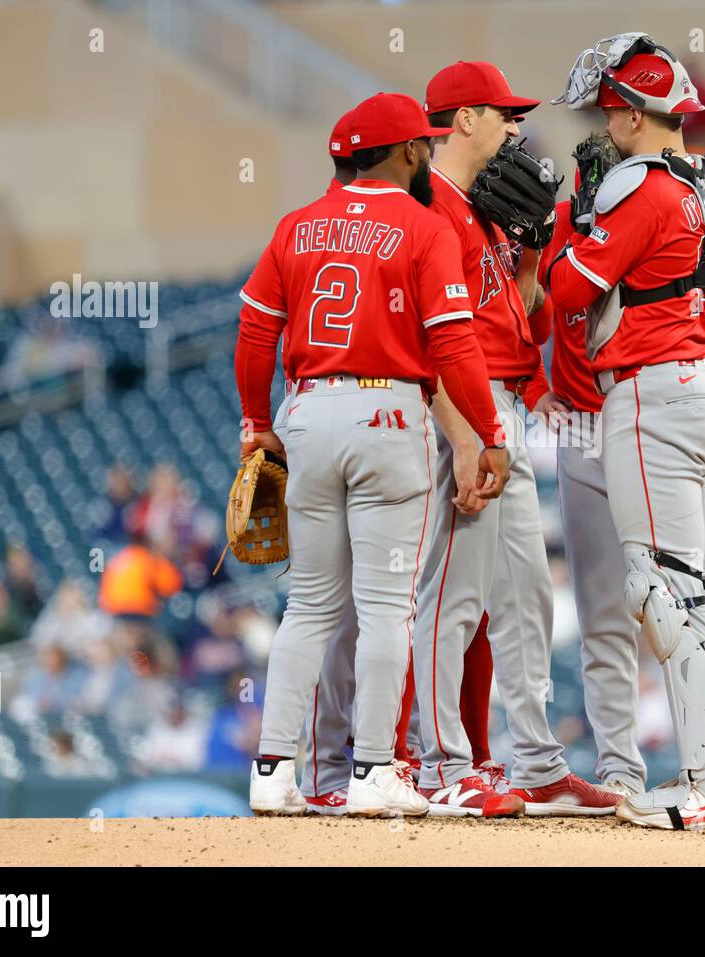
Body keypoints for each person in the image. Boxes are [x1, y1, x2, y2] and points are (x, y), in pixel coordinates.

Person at [237, 91, 513, 819]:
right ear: (408, 152)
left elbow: (254, 333)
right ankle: (372, 772)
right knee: (387, 606)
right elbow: (454, 343)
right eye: (419, 144)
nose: (425, 151)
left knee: (309, 605)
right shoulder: (423, 227)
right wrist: (486, 432)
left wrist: (255, 422)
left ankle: (272, 771)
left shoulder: (295, 226)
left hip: (307, 409)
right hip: (388, 411)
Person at [548, 33, 705, 828]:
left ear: (629, 114)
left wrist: (570, 225)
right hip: (700, 393)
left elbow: (563, 293)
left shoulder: (639, 189)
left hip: (650, 402)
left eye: (609, 106)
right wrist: (701, 345)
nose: (603, 120)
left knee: (664, 593)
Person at [410, 61, 618, 817]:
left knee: (529, 593)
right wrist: (465, 434)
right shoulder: (426, 205)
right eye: (501, 114)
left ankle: (536, 763)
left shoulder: (491, 209)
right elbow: (432, 340)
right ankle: (441, 766)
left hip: (504, 407)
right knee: (454, 591)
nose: (514, 127)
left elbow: (517, 319)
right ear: (463, 119)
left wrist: (530, 251)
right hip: (458, 411)